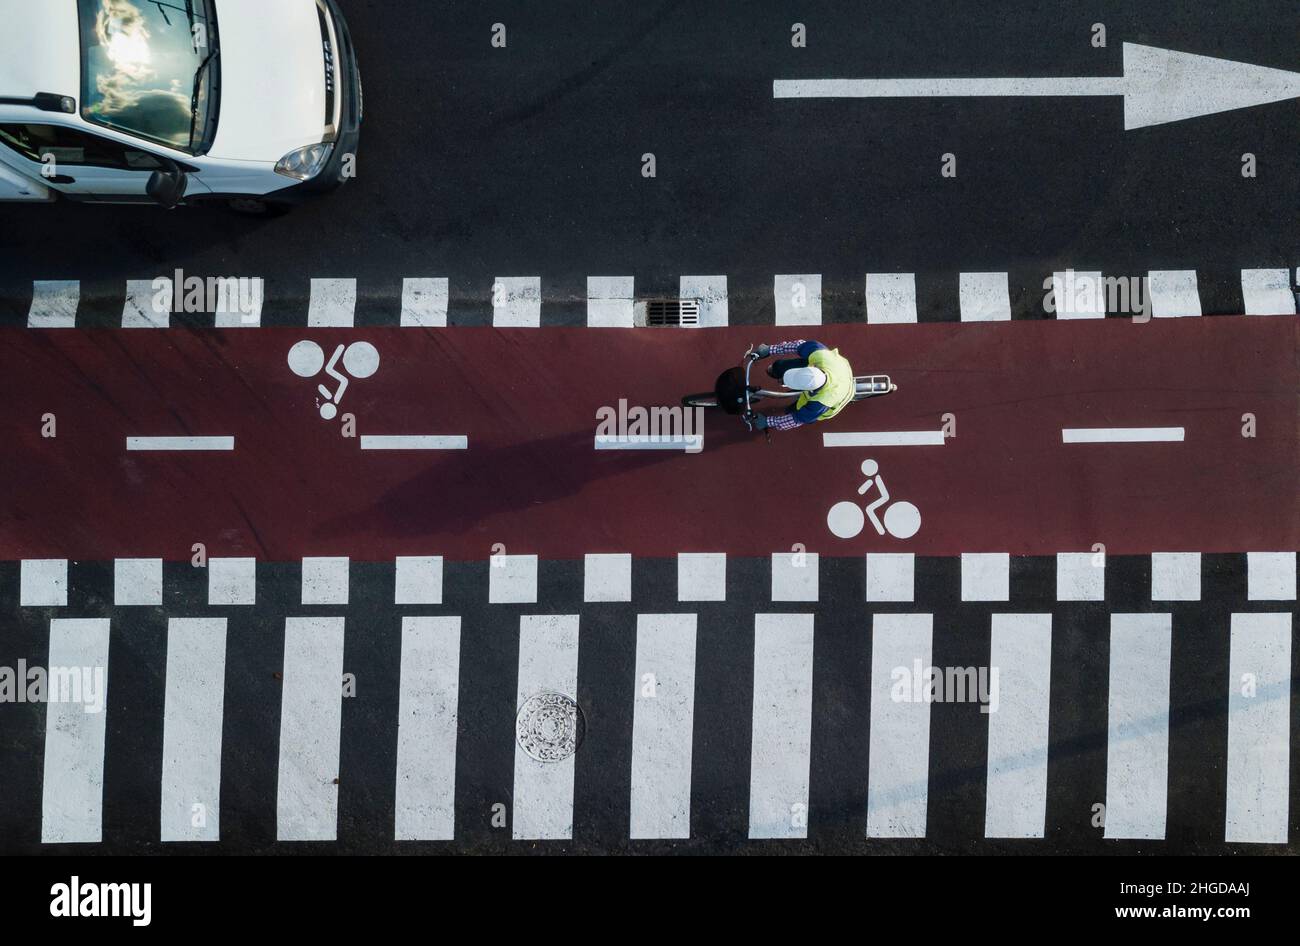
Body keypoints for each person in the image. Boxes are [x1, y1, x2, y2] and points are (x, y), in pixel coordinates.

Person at [747, 340, 855, 431]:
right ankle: (777, 370)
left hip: (843, 389)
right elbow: (798, 345)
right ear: (812, 368)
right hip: (838, 368)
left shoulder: (820, 403)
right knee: (779, 367)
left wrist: (768, 422)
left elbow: (795, 420)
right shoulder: (820, 355)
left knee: (793, 411)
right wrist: (770, 349)